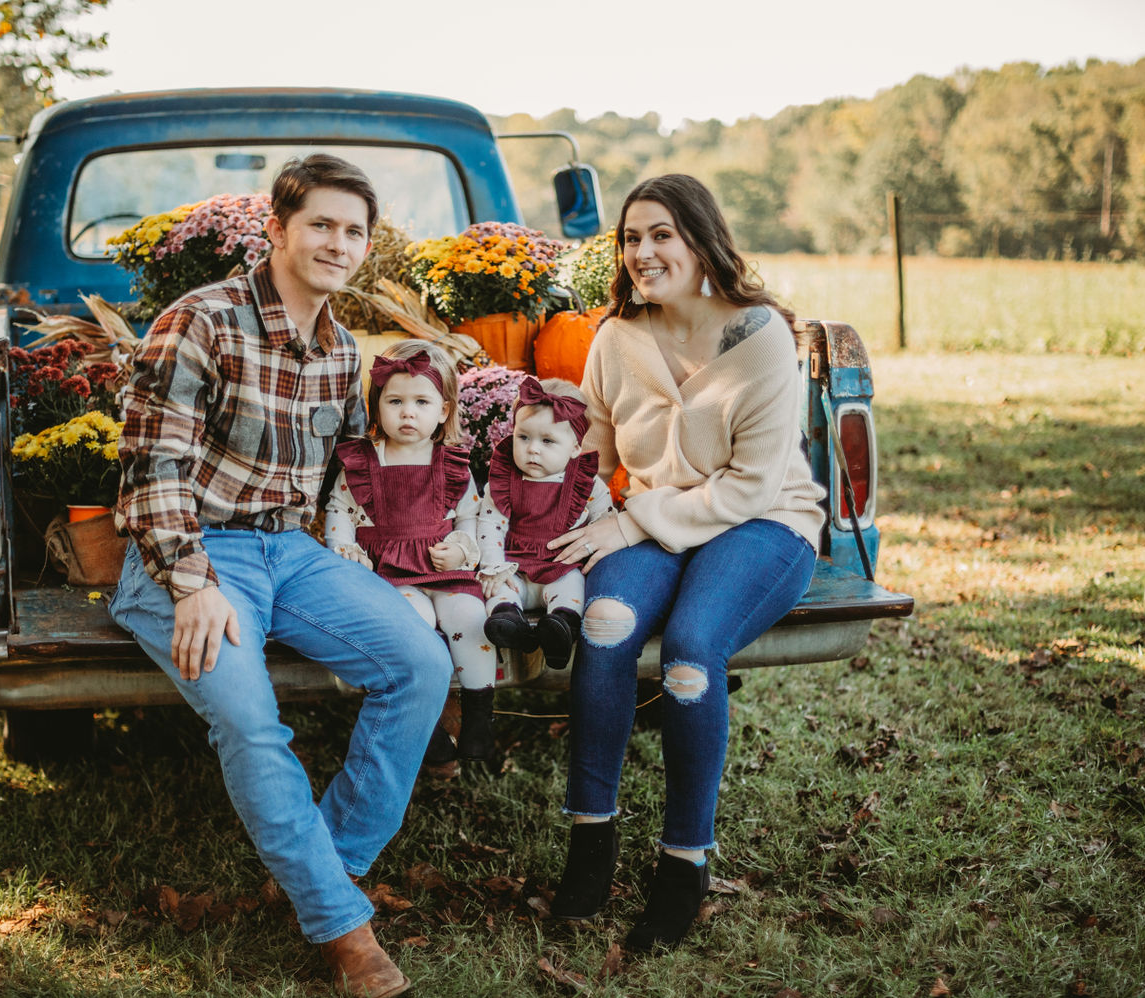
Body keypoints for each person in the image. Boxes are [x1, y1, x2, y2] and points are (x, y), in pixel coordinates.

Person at [109, 154, 451, 998]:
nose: (339, 243)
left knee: (422, 663)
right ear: (277, 231)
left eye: (354, 231)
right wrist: (190, 582)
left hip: (290, 551)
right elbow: (150, 464)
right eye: (321, 225)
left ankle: (324, 864)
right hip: (193, 550)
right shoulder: (203, 320)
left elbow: (344, 476)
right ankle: (342, 927)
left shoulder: (340, 350)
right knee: (251, 720)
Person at [544, 174, 825, 954]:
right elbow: (596, 448)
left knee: (693, 653)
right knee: (605, 624)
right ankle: (590, 839)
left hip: (762, 522)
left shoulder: (759, 337)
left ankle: (683, 863)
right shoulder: (617, 337)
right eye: (631, 238)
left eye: (661, 234)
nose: (643, 252)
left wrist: (632, 521)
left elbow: (750, 484)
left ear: (702, 241)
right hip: (657, 517)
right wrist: (546, 511)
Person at [323, 341, 497, 764]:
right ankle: (425, 721)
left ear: (443, 410)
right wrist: (345, 549)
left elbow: (469, 517)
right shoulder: (363, 463)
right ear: (376, 406)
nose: (407, 413)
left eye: (421, 402)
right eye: (395, 401)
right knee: (411, 626)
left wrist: (461, 549)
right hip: (388, 573)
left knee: (469, 617)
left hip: (444, 568)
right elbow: (339, 510)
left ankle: (480, 715)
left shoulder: (451, 464)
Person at [478, 376, 616, 671]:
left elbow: (604, 524)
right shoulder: (503, 481)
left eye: (547, 441)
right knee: (497, 591)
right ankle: (509, 622)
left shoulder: (586, 485)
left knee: (572, 588)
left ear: (575, 448)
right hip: (513, 569)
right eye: (523, 437)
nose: (532, 449)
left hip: (559, 568)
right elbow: (490, 525)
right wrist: (494, 566)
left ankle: (560, 627)